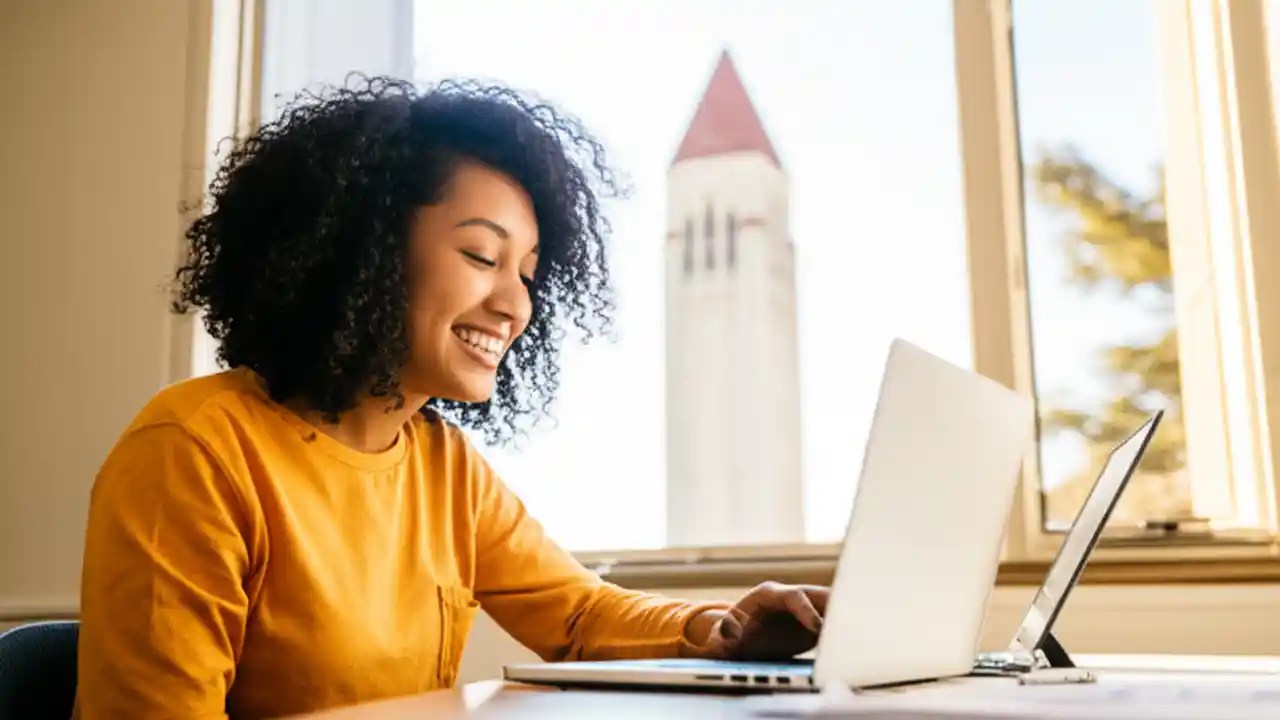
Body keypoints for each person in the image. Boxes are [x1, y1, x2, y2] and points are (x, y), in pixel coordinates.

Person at [76, 76, 828, 719]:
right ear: (364, 249)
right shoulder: (195, 452)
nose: (515, 305)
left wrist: (724, 626)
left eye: (527, 273)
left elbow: (578, 612)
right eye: (480, 255)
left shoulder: (444, 466)